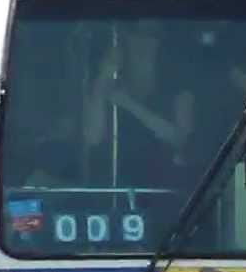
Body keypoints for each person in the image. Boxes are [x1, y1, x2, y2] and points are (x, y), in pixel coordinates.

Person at [82, 19, 195, 187]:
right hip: (112, 186)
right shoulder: (110, 81)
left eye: (152, 34)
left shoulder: (177, 85)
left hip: (161, 186)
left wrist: (130, 105)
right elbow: (92, 138)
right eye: (137, 33)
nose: (144, 41)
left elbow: (180, 138)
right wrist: (103, 77)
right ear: (126, 37)